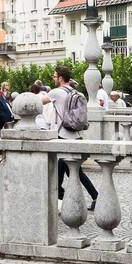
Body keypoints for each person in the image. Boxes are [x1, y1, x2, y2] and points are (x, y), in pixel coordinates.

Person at [50, 66, 99, 210]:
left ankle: (62, 198)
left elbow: (37, 103)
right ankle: (93, 196)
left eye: (54, 76)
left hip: (63, 135)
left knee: (68, 170)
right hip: (76, 135)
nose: (53, 78)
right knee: (70, 170)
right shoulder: (75, 91)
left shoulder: (56, 92)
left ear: (60, 78)